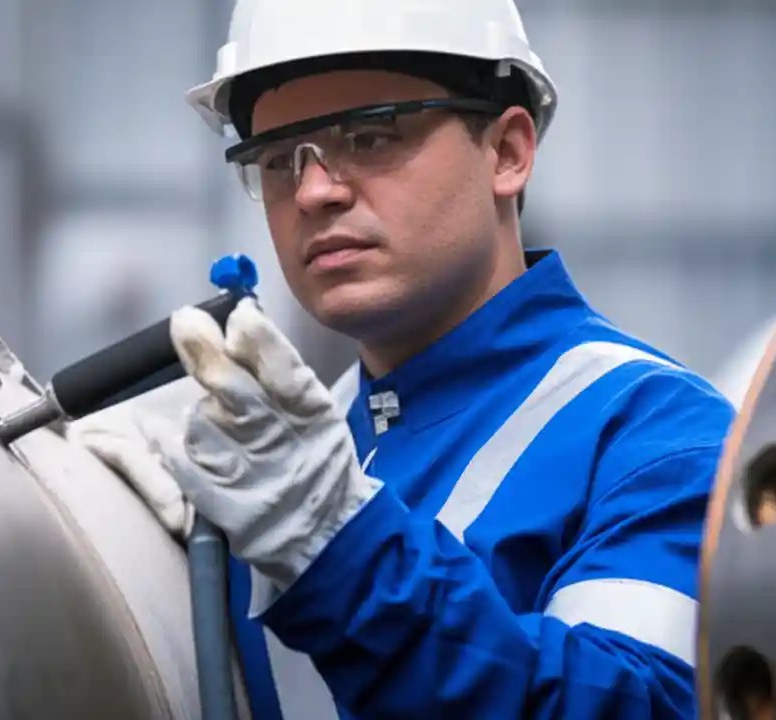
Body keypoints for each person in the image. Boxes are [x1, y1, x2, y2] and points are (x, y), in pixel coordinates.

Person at [71, 1, 735, 717]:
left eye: (370, 135)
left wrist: (342, 547)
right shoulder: (284, 457)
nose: (313, 191)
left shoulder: (662, 440)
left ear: (507, 153)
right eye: (278, 158)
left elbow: (633, 706)